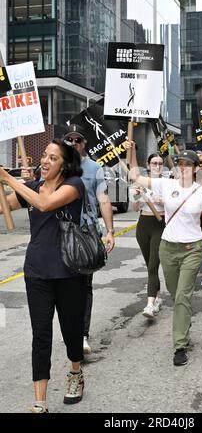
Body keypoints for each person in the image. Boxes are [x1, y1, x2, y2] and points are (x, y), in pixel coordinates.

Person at [0, 139, 87, 413]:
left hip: (68, 271)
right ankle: (40, 402)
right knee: (41, 334)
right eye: (44, 156)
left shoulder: (73, 186)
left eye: (52, 157)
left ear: (64, 164)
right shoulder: (33, 187)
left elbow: (46, 204)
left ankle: (75, 371)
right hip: (36, 271)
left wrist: (9, 179)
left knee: (71, 330)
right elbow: (6, 206)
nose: (45, 161)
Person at [125, 142, 202, 367]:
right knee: (176, 296)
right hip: (168, 248)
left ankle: (180, 346)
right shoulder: (166, 184)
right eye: (180, 164)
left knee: (183, 297)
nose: (184, 168)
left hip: (191, 249)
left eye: (188, 164)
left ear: (196, 168)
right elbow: (136, 177)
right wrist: (132, 152)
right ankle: (184, 323)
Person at [64, 124, 115, 354]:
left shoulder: (95, 168)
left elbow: (103, 199)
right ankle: (71, 330)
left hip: (86, 233)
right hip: (62, 232)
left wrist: (110, 231)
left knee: (84, 285)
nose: (74, 143)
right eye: (70, 140)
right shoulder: (60, 165)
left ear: (84, 143)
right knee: (64, 286)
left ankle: (82, 334)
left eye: (78, 140)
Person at [130, 153, 165, 318]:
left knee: (153, 266)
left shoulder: (167, 182)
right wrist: (137, 194)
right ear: (148, 164)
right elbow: (136, 207)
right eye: (154, 163)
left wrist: (161, 200)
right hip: (143, 225)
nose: (157, 166)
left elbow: (173, 203)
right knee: (150, 265)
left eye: (160, 163)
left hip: (160, 225)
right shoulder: (140, 182)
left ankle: (150, 304)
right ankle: (157, 296)